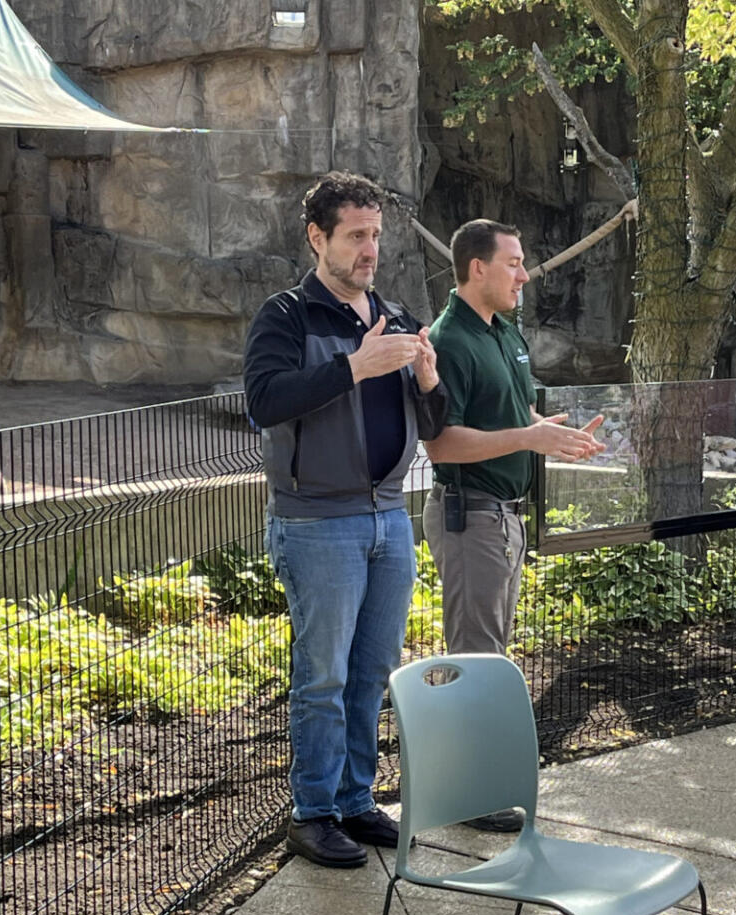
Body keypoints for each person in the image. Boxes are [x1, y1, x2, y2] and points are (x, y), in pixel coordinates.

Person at [243, 171, 448, 869]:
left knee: (372, 672)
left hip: (389, 521)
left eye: (376, 236)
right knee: (323, 677)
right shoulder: (286, 317)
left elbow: (438, 425)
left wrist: (426, 379)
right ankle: (313, 812)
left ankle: (357, 800)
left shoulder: (395, 316)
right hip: (316, 523)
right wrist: (354, 369)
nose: (370, 250)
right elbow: (265, 401)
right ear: (317, 238)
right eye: (356, 236)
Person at [423, 219, 604, 832]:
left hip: (501, 517)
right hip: (469, 513)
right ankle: (466, 795)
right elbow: (442, 444)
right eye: (514, 263)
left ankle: (474, 781)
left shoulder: (504, 332)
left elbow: (514, 412)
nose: (524, 274)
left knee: (488, 654)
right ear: (479, 268)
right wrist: (529, 435)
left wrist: (549, 432)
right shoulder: (449, 339)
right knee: (474, 657)